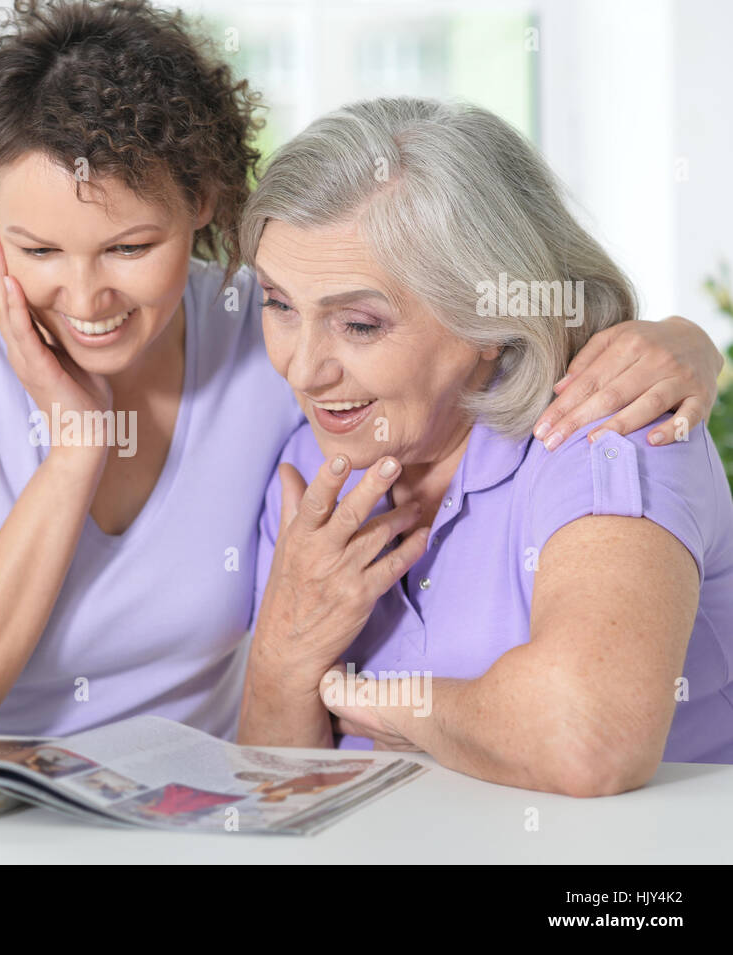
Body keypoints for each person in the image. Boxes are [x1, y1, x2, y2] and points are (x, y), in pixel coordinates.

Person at [0, 0, 723, 739]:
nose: (84, 297)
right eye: (36, 247)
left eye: (129, 246)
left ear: (201, 206)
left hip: (190, 808)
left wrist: (688, 341)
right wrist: (76, 449)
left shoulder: (261, 325)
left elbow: (442, 297)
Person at [238, 97, 733, 796]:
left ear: (493, 322)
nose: (302, 367)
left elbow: (584, 736)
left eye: (357, 323)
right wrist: (283, 663)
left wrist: (379, 703)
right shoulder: (310, 463)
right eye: (280, 305)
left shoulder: (611, 430)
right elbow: (272, 796)